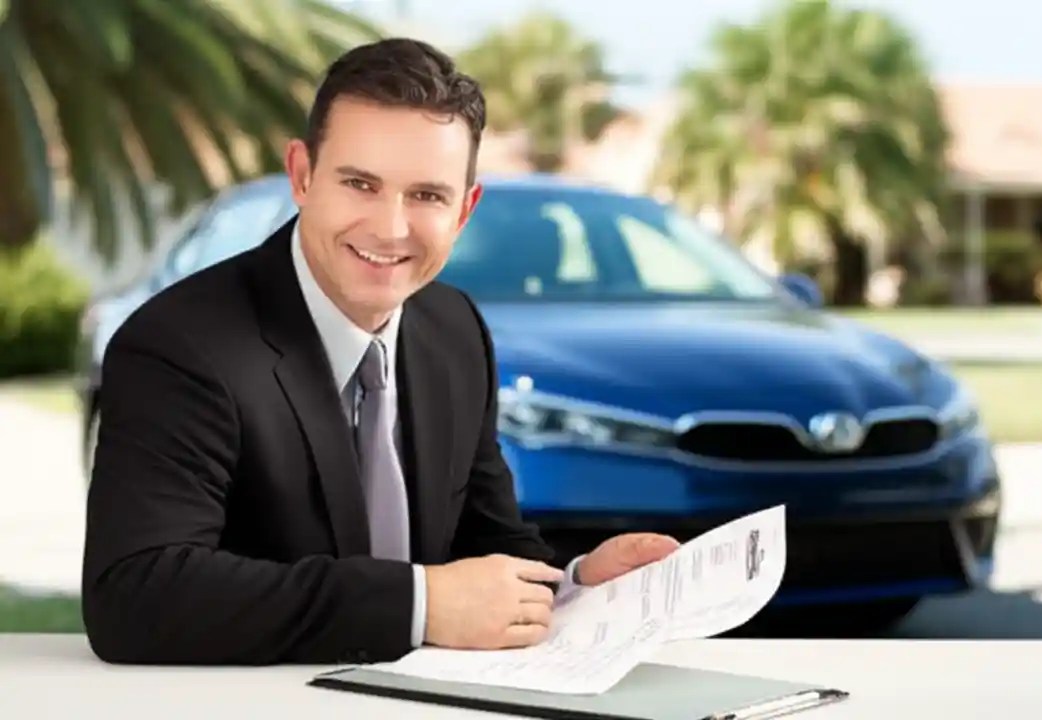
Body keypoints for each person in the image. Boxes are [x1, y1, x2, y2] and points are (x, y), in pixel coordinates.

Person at [80, 37, 680, 666]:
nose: (391, 227)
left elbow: (489, 548)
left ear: (465, 209)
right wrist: (420, 605)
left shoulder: (455, 331)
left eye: (427, 195)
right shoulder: (180, 346)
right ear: (302, 176)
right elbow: (135, 597)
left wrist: (581, 590)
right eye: (361, 184)